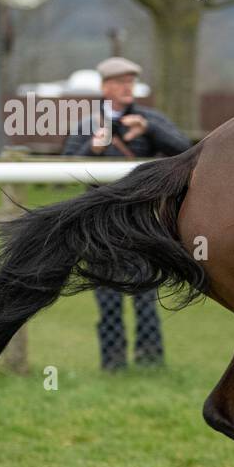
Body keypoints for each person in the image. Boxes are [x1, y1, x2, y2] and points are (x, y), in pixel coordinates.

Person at [62, 57, 192, 370]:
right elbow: (64, 168)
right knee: (107, 301)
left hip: (141, 223)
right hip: (100, 225)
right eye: (120, 82)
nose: (127, 87)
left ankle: (150, 361)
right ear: (106, 87)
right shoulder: (88, 125)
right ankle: (113, 362)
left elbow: (185, 150)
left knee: (146, 298)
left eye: (130, 82)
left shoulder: (150, 120)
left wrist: (149, 129)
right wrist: (93, 149)